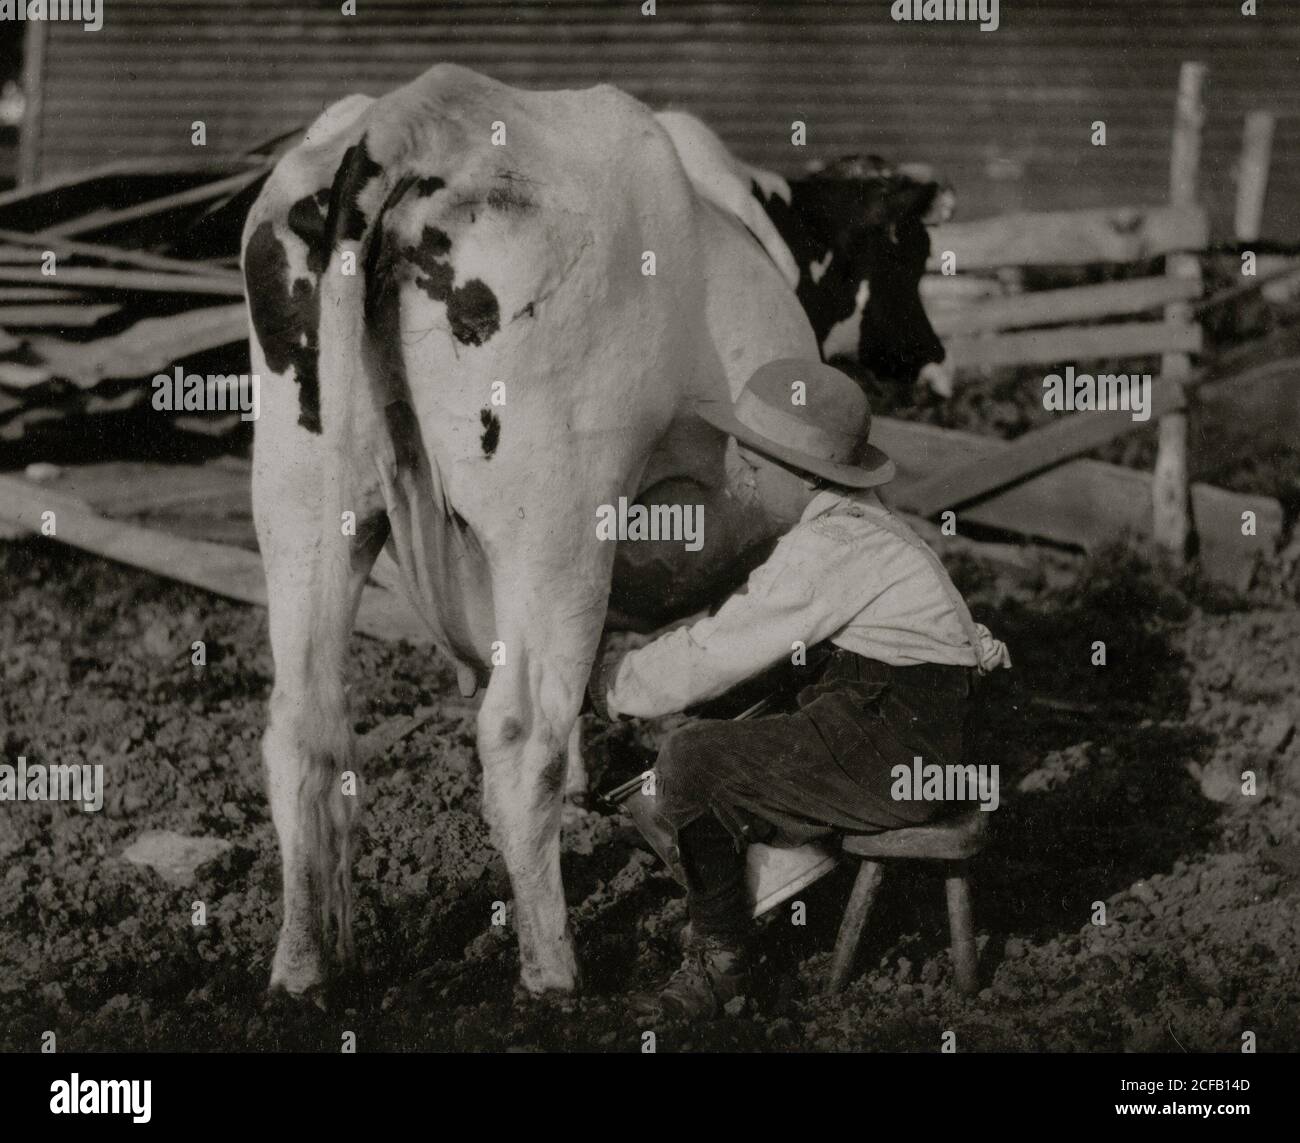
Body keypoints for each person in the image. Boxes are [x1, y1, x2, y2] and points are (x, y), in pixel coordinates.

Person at [591, 358, 1010, 1021]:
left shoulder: (831, 547)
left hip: (897, 748)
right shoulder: (863, 526)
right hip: (910, 727)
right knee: (747, 703)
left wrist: (610, 685)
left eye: (755, 465)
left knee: (690, 762)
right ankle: (780, 862)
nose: (741, 478)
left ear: (809, 473)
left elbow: (719, 649)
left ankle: (723, 963)